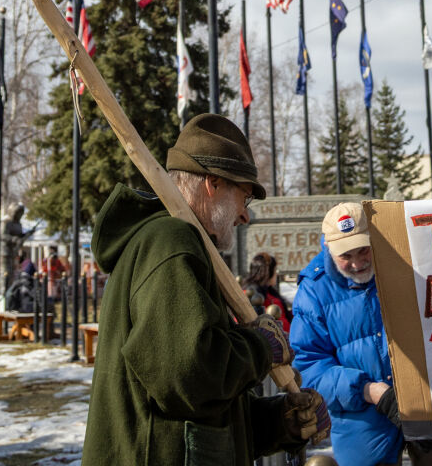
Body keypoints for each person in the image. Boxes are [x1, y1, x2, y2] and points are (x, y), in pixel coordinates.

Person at [83, 112, 327, 466]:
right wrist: (260, 348)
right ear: (213, 184)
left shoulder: (178, 245)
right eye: (244, 198)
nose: (245, 216)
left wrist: (281, 424)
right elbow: (190, 378)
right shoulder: (171, 242)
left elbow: (203, 414)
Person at [291, 201, 403, 466]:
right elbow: (308, 367)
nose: (356, 263)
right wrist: (368, 390)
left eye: (363, 250)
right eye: (345, 255)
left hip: (423, 402)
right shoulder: (313, 292)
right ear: (329, 249)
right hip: (360, 414)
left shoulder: (400, 265)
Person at [242, 252, 292, 334]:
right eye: (275, 269)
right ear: (268, 271)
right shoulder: (253, 295)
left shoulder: (269, 291)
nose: (277, 273)